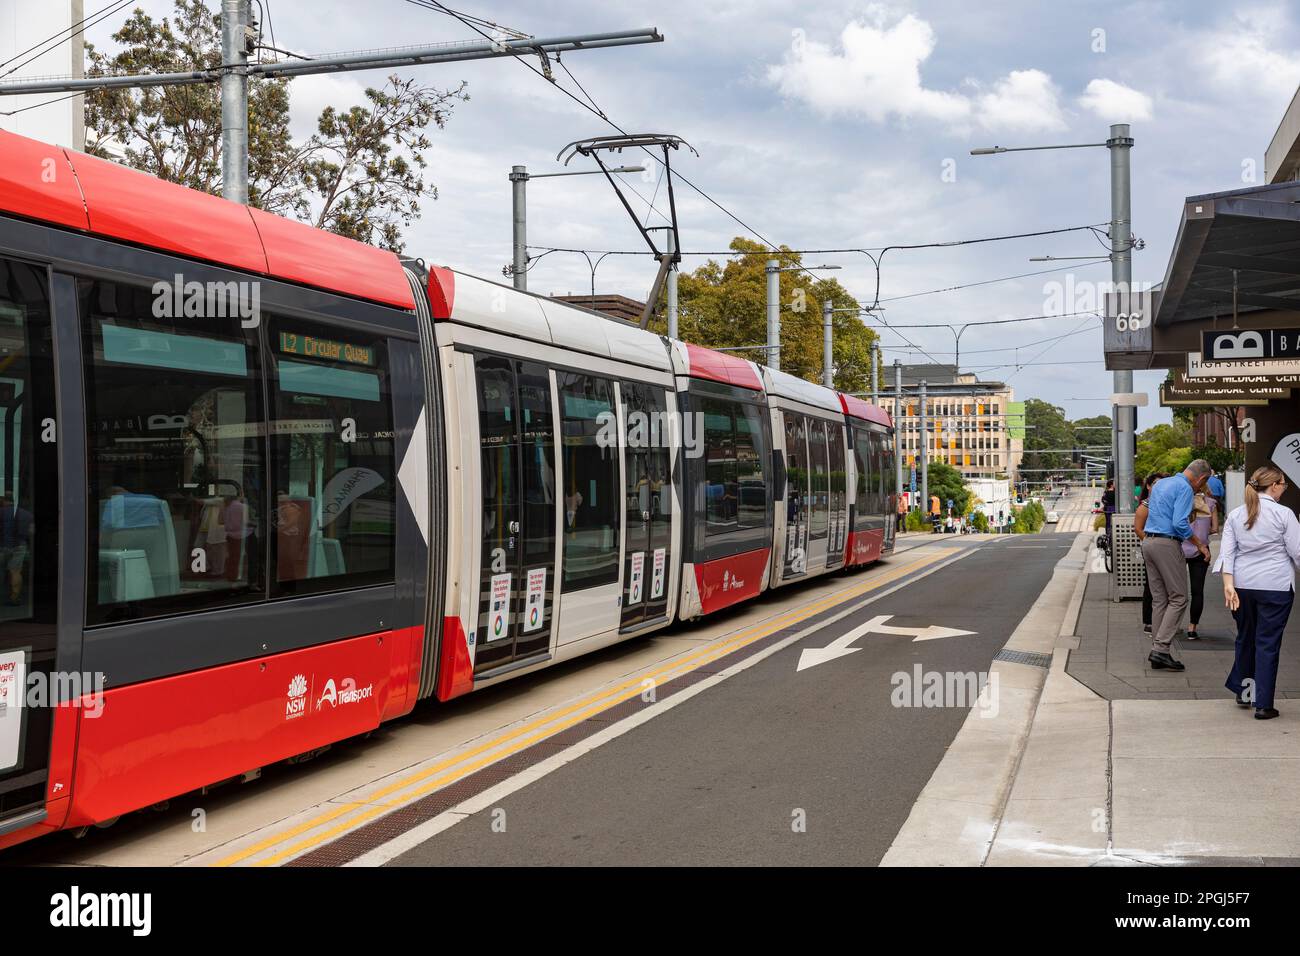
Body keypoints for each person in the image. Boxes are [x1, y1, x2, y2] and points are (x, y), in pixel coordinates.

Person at [1216, 465, 1300, 720]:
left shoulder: (1236, 514)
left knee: (1246, 637)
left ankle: (1245, 691)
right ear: (1273, 485)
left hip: (1241, 585)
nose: (1284, 489)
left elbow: (1227, 553)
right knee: (1267, 643)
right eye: (1283, 484)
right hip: (1275, 586)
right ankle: (1263, 704)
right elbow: (1297, 552)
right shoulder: (1284, 514)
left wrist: (1228, 585)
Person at [1141, 459, 1213, 671]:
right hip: (1166, 543)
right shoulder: (1185, 488)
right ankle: (1161, 649)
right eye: (1203, 483)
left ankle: (1158, 650)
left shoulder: (1162, 483)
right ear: (1201, 478)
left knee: (1160, 599)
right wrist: (1200, 544)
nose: (1201, 487)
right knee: (1179, 597)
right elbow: (1179, 523)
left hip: (1149, 541)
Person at [1133, 472, 1168, 636]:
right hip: (1152, 548)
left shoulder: (1165, 503)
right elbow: (1138, 529)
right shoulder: (1145, 505)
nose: (1158, 487)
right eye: (1155, 484)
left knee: (1164, 586)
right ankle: (1148, 621)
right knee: (1151, 584)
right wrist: (1150, 542)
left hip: (1163, 548)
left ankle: (1161, 620)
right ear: (1148, 486)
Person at [1181, 489, 1218, 639]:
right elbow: (1215, 529)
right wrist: (1202, 532)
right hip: (1201, 550)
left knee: (1175, 591)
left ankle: (1172, 625)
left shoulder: (1181, 502)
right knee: (1197, 592)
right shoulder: (1211, 504)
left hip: (1179, 549)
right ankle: (1192, 628)